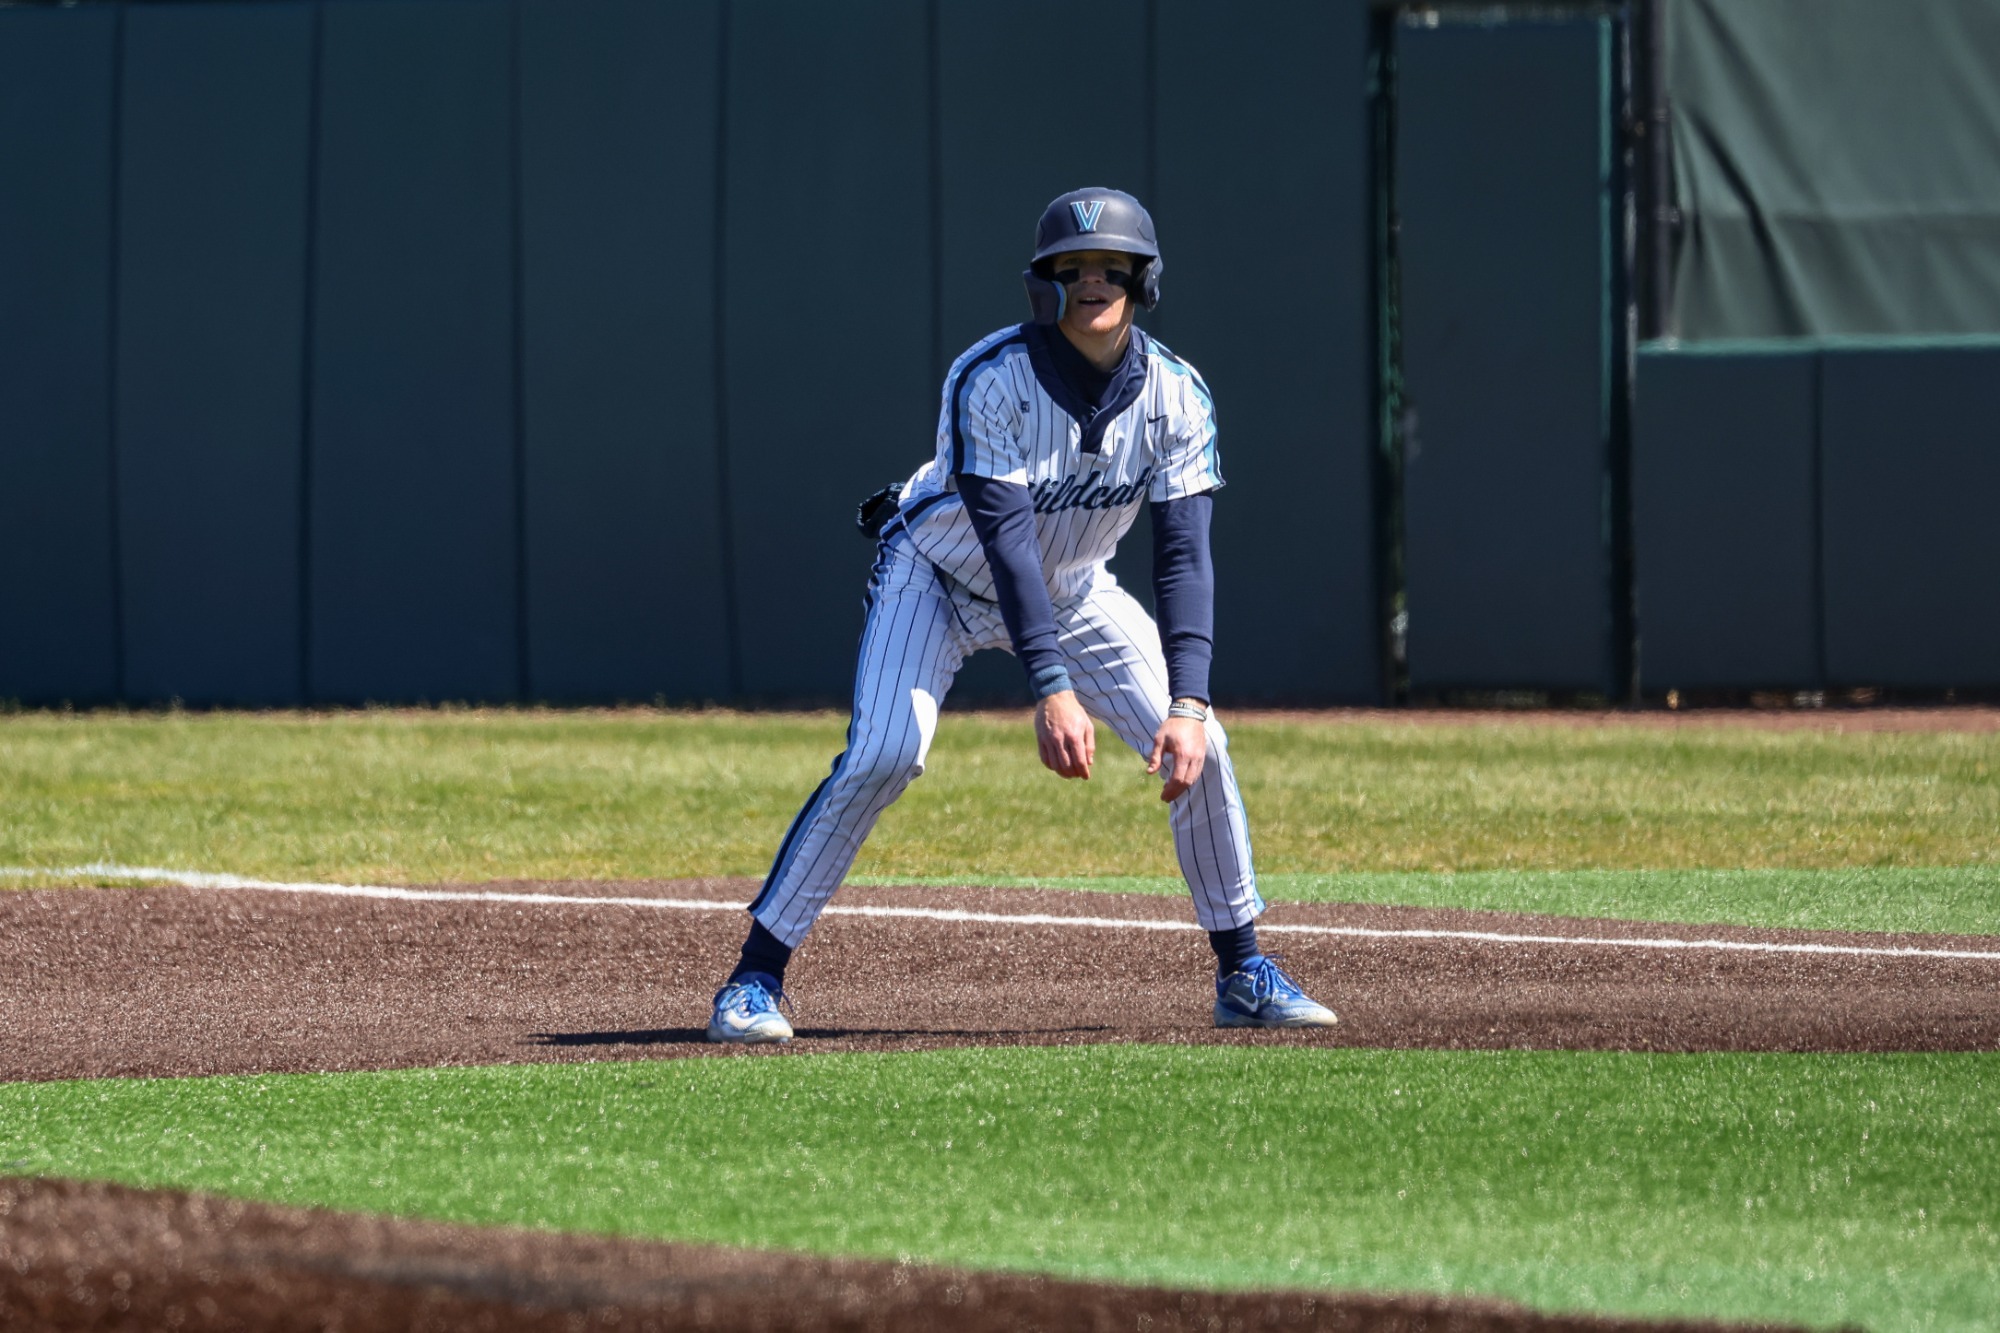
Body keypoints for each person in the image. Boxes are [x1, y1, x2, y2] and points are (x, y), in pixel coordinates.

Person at [706, 188, 1337, 1044]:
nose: (1092, 282)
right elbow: (1003, 546)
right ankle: (753, 978)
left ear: (1142, 280)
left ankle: (1244, 970)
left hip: (1074, 588)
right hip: (934, 574)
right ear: (1043, 285)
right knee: (886, 755)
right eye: (1071, 269)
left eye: (1111, 266)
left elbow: (1184, 556)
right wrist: (1051, 685)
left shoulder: (1178, 397)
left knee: (1203, 744)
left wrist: (1189, 703)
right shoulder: (989, 377)